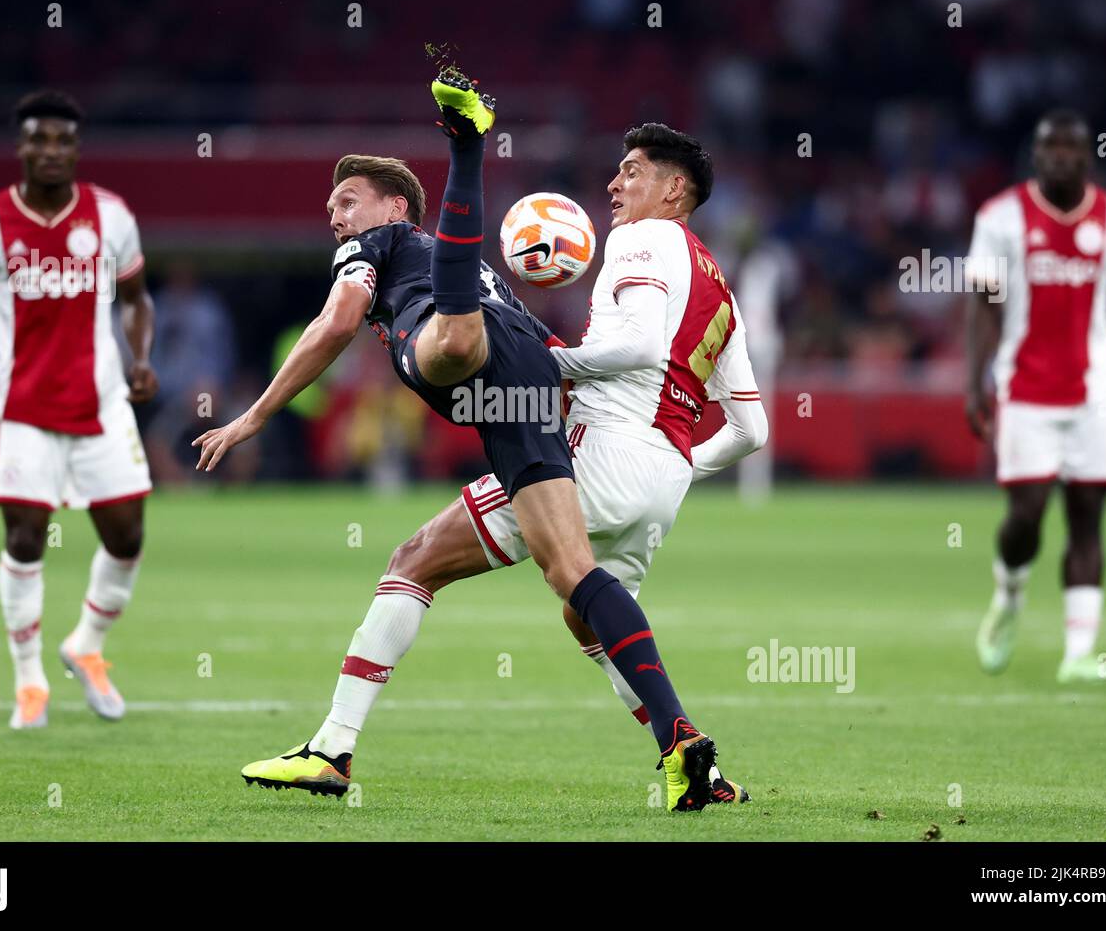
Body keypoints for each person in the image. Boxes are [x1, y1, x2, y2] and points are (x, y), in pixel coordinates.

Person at [195, 69, 744, 810]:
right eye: (331, 206)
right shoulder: (530, 273)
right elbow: (748, 423)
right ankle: (686, 749)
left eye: (346, 201)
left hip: (499, 371)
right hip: (575, 416)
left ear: (396, 207)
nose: (335, 216)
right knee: (580, 591)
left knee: (420, 538)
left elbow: (333, 325)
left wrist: (253, 415)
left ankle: (331, 748)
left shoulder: (384, 242)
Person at [0, 90, 157, 728]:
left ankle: (85, 646)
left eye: (63, 141)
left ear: (76, 149)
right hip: (23, 411)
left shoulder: (111, 217)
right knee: (25, 539)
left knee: (127, 536)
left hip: (102, 404)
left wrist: (141, 356)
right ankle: (29, 680)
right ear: (21, 147)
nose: (51, 151)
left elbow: (137, 297)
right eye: (39, 139)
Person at [966, 109, 1106, 682]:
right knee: (1026, 514)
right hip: (1024, 388)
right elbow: (984, 305)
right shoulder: (1000, 218)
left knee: (1089, 516)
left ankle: (1079, 655)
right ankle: (1010, 589)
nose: (1063, 157)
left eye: (1073, 148)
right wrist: (978, 382)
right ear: (1037, 155)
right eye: (1052, 148)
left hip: (1096, 389)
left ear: (1087, 156)